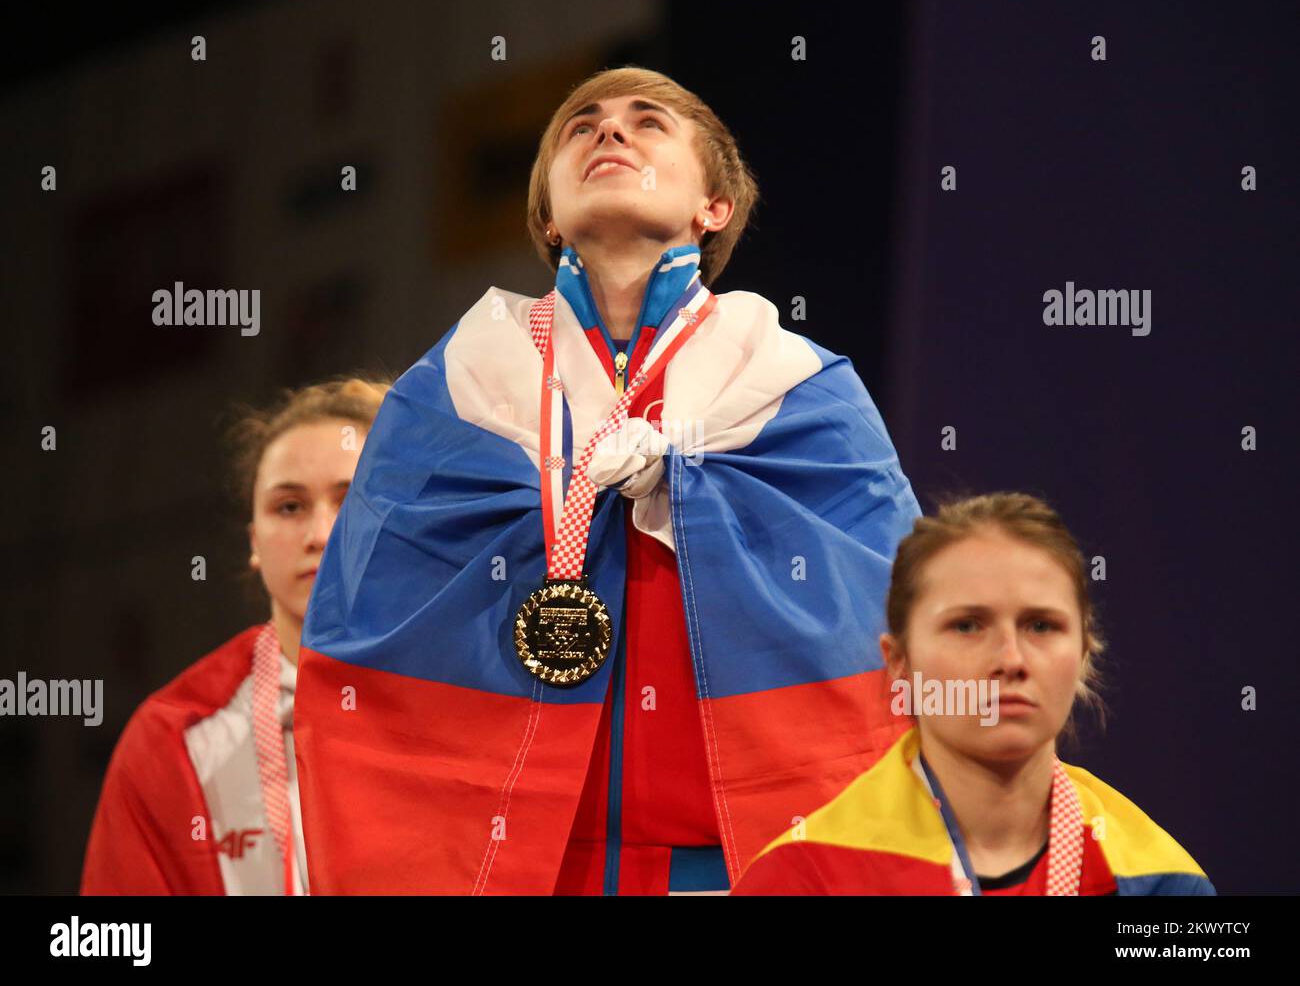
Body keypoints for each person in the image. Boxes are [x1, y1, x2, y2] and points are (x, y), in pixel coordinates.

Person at [293, 66, 921, 895]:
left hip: (738, 869)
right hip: (528, 868)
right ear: (548, 218)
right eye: (579, 126)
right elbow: (369, 625)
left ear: (715, 207)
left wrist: (691, 486)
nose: (610, 132)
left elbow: (895, 613)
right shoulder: (458, 383)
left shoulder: (796, 382)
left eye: (648, 122)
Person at [732, 492, 1215, 895]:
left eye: (1041, 626)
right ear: (899, 662)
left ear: (1084, 651)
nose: (1011, 659)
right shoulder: (805, 878)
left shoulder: (1158, 880)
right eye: (967, 626)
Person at [80, 376, 389, 894]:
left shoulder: (479, 699)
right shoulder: (174, 737)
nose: (319, 535)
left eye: (351, 499)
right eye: (289, 507)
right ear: (254, 541)